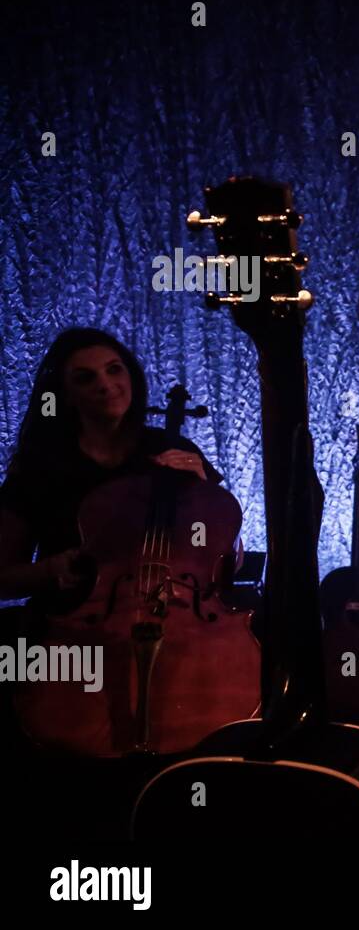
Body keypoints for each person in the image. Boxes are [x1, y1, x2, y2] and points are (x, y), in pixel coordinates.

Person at [0, 326, 222, 837]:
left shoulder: (170, 448)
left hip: (176, 616)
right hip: (76, 629)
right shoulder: (40, 470)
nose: (105, 384)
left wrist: (203, 489)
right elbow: (3, 575)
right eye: (85, 378)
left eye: (114, 369)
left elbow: (216, 551)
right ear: (65, 395)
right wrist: (54, 567)